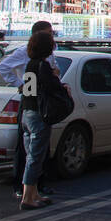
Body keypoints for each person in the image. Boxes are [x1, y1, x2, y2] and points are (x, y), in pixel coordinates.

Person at [0, 21, 59, 197]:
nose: (52, 36)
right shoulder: (33, 63)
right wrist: (22, 85)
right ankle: (25, 191)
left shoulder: (42, 62)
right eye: (49, 33)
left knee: (38, 152)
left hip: (35, 107)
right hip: (34, 109)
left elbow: (39, 83)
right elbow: (36, 86)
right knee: (31, 153)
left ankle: (35, 189)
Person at [19, 29, 64, 210]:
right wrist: (55, 76)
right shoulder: (43, 66)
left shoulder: (30, 65)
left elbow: (28, 90)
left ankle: (33, 193)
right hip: (39, 115)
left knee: (31, 154)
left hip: (27, 113)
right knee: (36, 158)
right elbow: (53, 87)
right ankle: (27, 198)